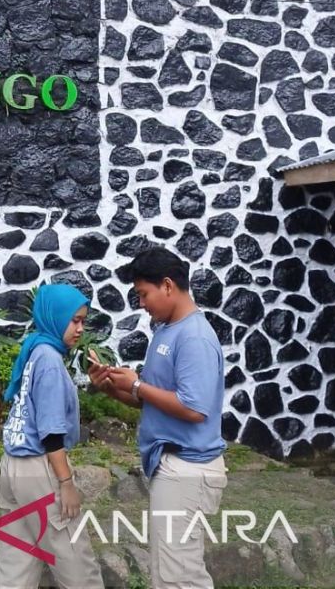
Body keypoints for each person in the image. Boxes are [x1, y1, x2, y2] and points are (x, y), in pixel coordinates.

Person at [89, 247, 227, 589]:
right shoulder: (167, 330)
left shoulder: (194, 337)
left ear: (167, 285)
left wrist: (136, 384)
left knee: (180, 576)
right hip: (171, 465)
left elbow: (194, 408)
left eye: (143, 294)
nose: (142, 304)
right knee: (167, 572)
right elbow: (154, 400)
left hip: (188, 468)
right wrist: (111, 387)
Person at [0, 284, 104, 589]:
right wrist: (66, 483)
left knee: (16, 567)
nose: (80, 328)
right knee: (77, 564)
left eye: (83, 321)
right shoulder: (51, 362)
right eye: (75, 321)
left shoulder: (35, 349)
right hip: (38, 470)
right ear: (55, 318)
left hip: (12, 466)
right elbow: (51, 433)